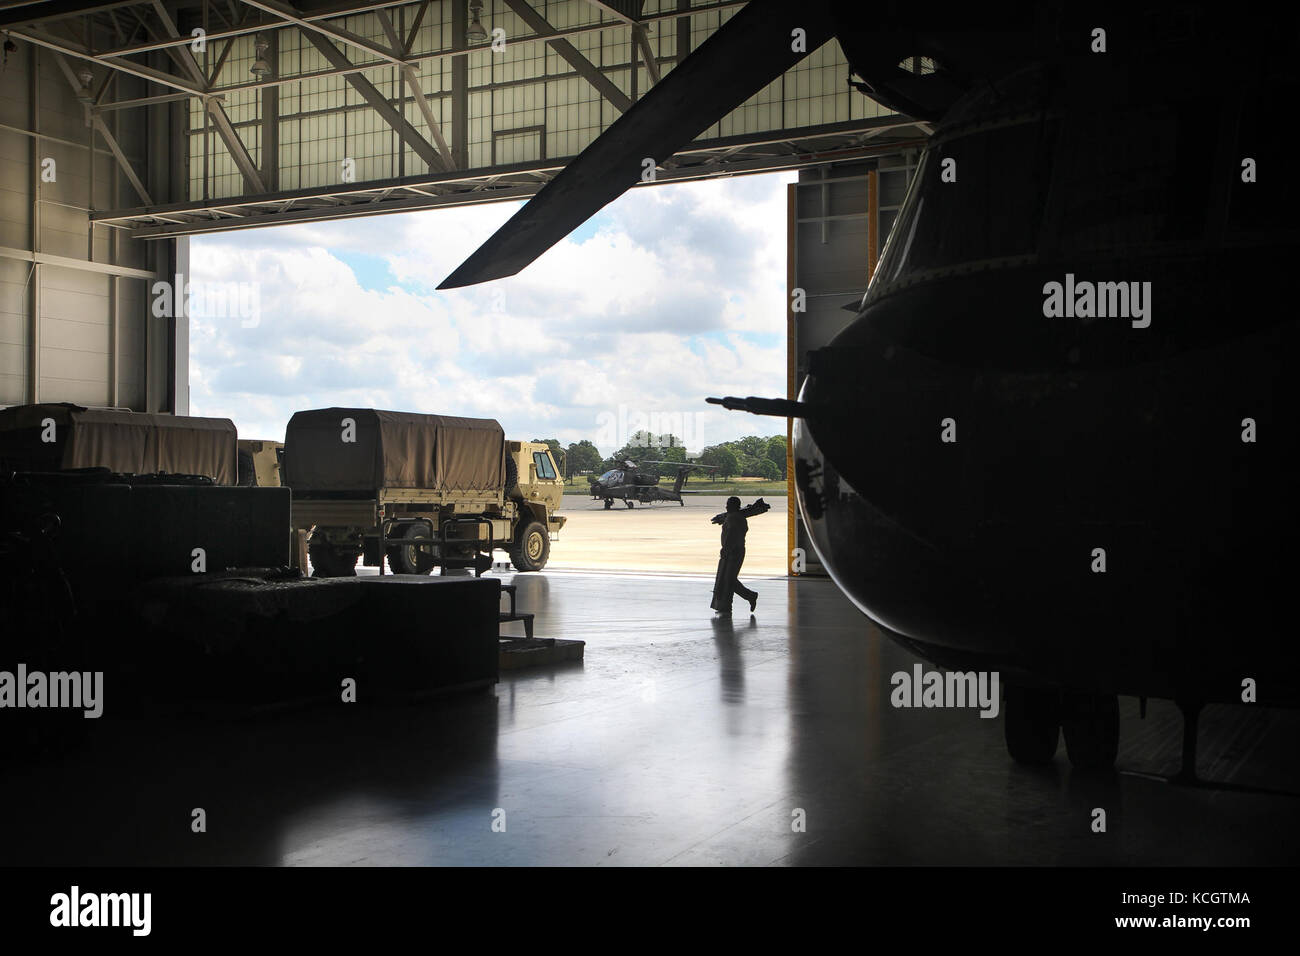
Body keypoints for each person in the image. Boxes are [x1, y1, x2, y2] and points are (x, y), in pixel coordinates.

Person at [710, 496, 770, 615]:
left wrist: (726, 549)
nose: (726, 506)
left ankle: (748, 596)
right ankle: (727, 605)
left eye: (728, 504)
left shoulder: (734, 518)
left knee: (728, 579)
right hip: (734, 551)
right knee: (728, 579)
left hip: (733, 552)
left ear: (733, 506)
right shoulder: (735, 517)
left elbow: (732, 536)